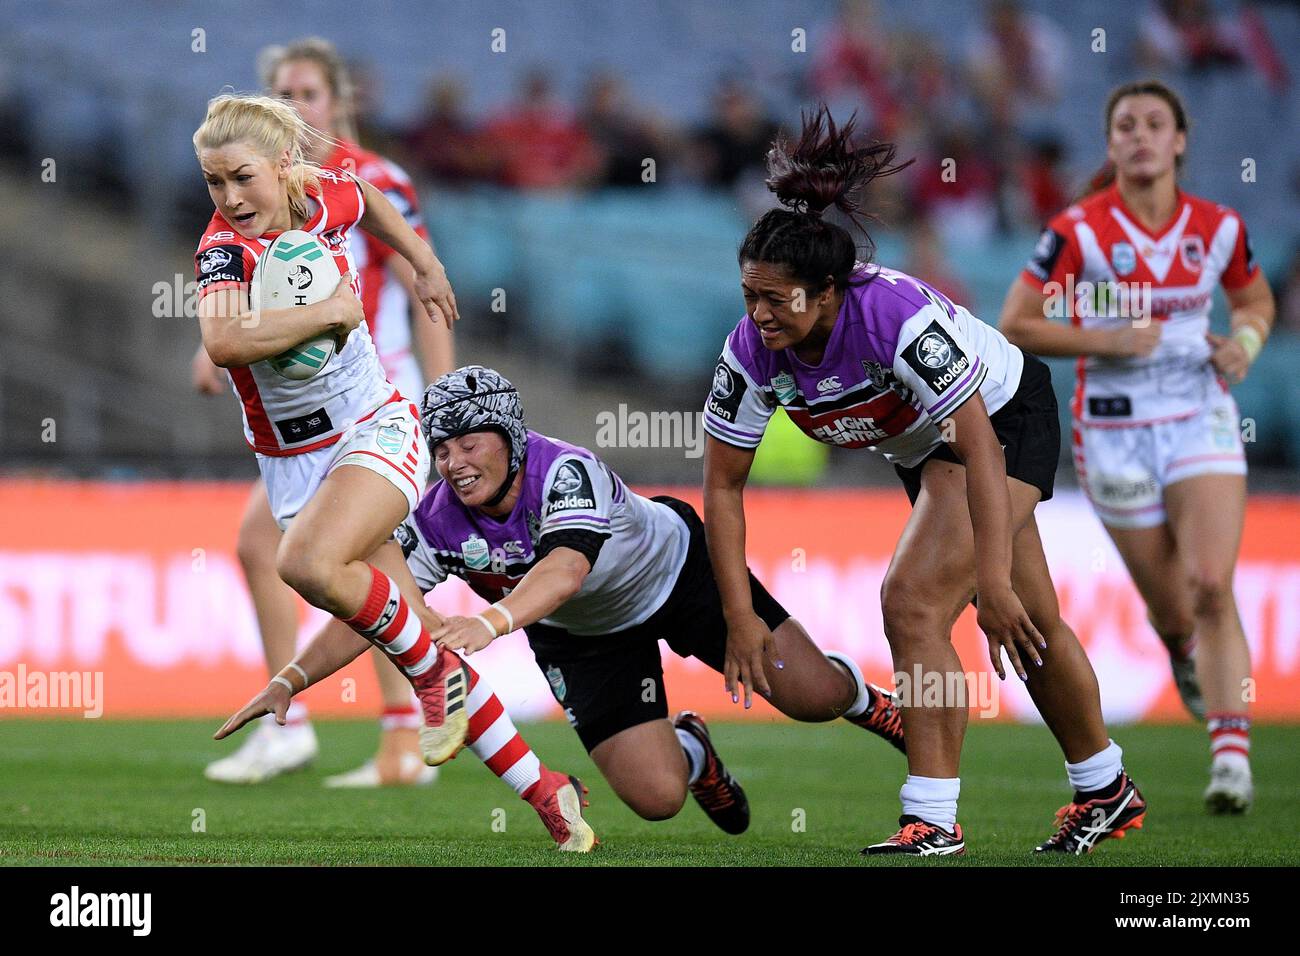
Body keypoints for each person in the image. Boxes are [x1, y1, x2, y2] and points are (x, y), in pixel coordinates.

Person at [702, 106, 1147, 856]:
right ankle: (1107, 788)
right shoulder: (751, 350)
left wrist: (992, 583)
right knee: (1032, 623)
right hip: (926, 450)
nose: (759, 314)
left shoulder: (892, 318)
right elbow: (720, 487)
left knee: (913, 604)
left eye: (777, 299)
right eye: (750, 295)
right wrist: (740, 616)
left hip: (998, 421)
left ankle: (933, 819)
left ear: (830, 292)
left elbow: (975, 440)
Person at [219, 365, 907, 839]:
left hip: (678, 576)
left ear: (512, 437)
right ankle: (695, 752)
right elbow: (373, 614)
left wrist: (489, 621)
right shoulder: (432, 518)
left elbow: (567, 567)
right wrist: (292, 681)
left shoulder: (564, 470)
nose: (454, 461)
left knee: (811, 697)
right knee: (657, 800)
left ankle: (867, 701)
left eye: (470, 442)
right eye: (442, 448)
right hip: (580, 637)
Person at [998, 80, 1275, 814]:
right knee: (1173, 607)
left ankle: (1230, 760)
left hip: (1198, 417)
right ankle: (1182, 648)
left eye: (1156, 123)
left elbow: (1255, 300)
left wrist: (1244, 345)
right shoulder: (1079, 233)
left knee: (1213, 584)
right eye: (1125, 125)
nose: (1141, 135)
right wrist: (1108, 339)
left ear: (1181, 140)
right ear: (1112, 142)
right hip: (1114, 430)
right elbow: (1018, 323)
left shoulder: (1217, 228)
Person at [197, 38, 454, 788]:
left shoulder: (367, 178)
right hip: (291, 424)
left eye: (309, 93)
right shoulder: (236, 230)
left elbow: (407, 270)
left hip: (372, 401)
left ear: (337, 102)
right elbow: (228, 327)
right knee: (364, 575)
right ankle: (462, 737)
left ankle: (398, 726)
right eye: (285, 92)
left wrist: (440, 395)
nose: (228, 195)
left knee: (308, 560)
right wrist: (301, 322)